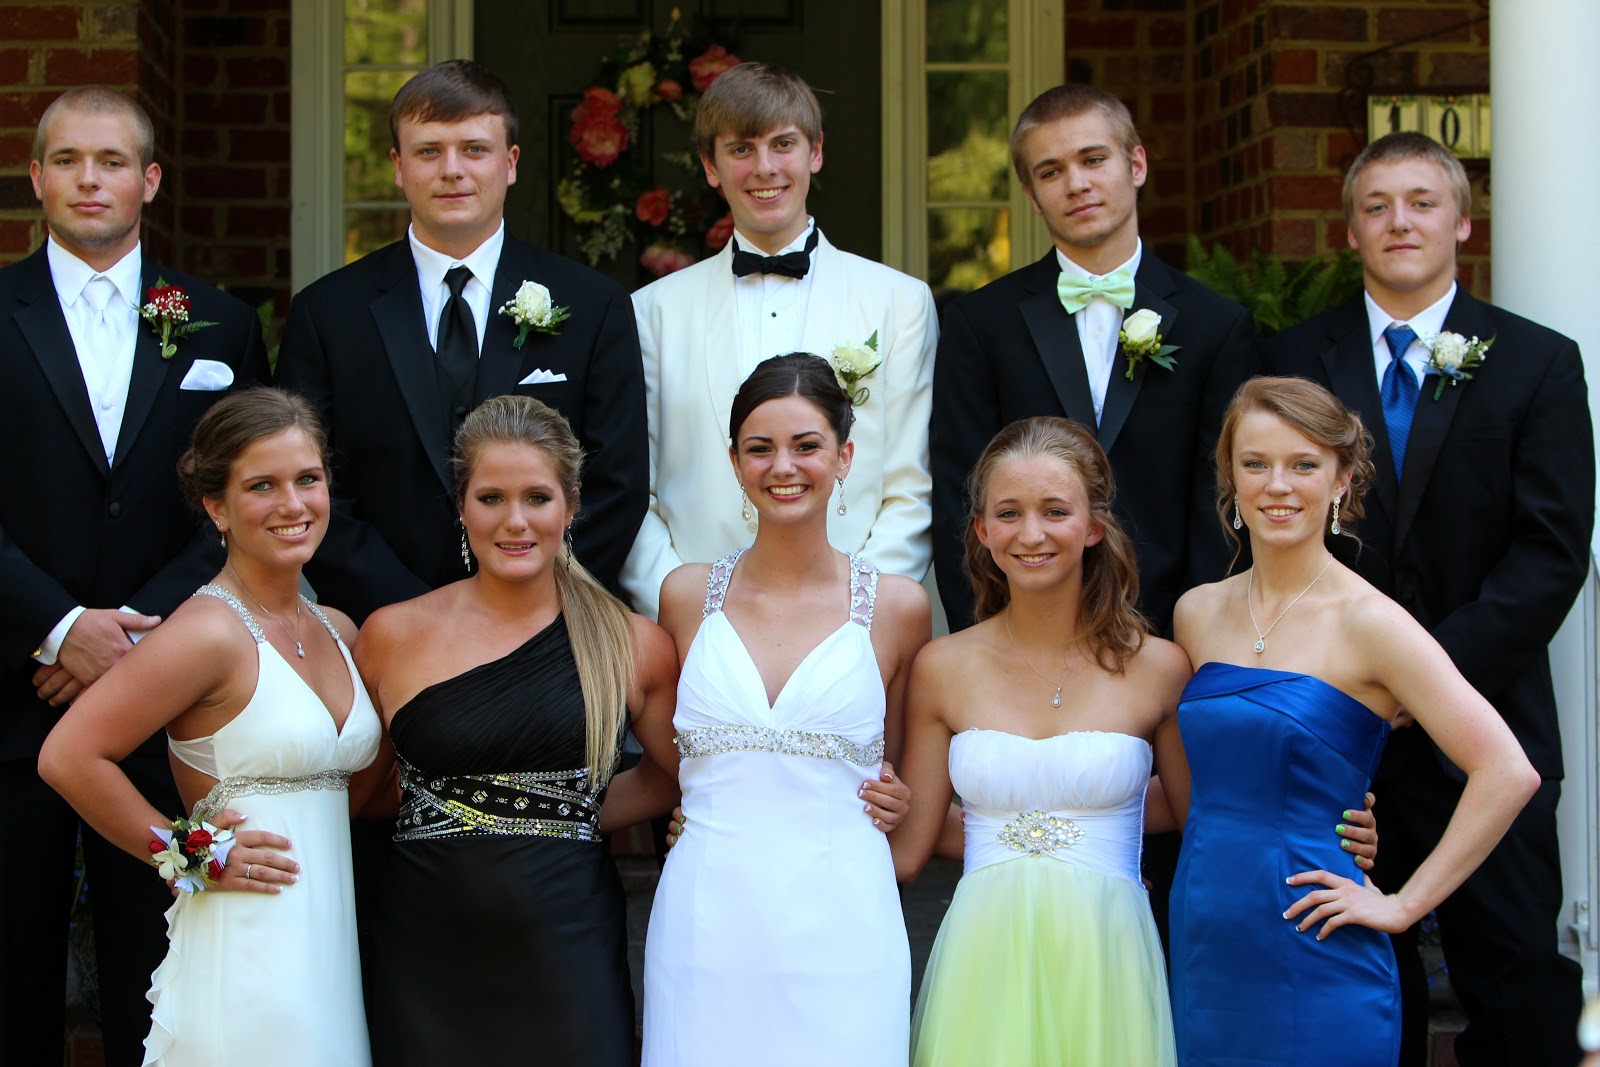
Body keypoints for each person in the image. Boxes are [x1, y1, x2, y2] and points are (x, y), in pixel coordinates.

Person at [1260, 131, 1593, 1067]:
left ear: (1462, 221)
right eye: (1377, 206)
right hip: (1339, 727)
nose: (1399, 220)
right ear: (1351, 231)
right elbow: (1261, 528)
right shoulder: (1289, 360)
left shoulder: (1536, 362)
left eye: (1421, 201)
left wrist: (1424, 682)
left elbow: (1551, 550)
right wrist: (1353, 687)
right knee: (1358, 974)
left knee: (1518, 980)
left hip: (1487, 723)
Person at [1, 87, 270, 1066]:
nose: (88, 179)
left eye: (110, 161)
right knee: (11, 960)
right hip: (14, 686)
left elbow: (241, 503)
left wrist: (132, 639)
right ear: (36, 177)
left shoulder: (220, 324)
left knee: (158, 961)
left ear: (148, 180)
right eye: (67, 160)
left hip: (165, 703)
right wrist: (63, 624)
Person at [1169, 376, 1540, 1066]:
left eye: (1304, 464)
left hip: (1319, 938)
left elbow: (1507, 770)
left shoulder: (1372, 623)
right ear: (1230, 476)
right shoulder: (1196, 612)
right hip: (1207, 935)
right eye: (1256, 463)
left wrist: (1403, 905)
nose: (1278, 485)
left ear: (1341, 479)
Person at [38, 387, 382, 1066]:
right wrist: (191, 855)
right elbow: (68, 755)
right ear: (215, 506)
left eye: (307, 479)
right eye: (262, 485)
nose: (293, 503)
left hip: (330, 943)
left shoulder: (337, 629)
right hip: (246, 940)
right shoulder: (205, 631)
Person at [353, 394, 679, 1065]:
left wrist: (566, 810)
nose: (515, 521)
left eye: (537, 496)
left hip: (568, 942)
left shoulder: (631, 643)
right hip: (425, 942)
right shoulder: (392, 633)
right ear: (461, 505)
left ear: (572, 503)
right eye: (491, 497)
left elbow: (680, 775)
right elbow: (366, 792)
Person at [277, 59, 647, 621]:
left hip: (554, 625)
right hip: (383, 626)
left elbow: (617, 482)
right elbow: (308, 482)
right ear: (398, 167)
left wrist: (532, 599)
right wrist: (410, 615)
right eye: (429, 151)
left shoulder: (595, 305)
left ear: (510, 162)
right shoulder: (327, 313)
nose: (452, 170)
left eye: (474, 149)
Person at [642, 353, 928, 1067]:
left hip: (844, 922)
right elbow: (671, 756)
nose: (783, 467)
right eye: (760, 448)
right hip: (705, 922)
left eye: (806, 445)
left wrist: (896, 797)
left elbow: (897, 767)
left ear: (844, 455)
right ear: (735, 461)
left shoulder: (896, 607)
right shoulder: (684, 596)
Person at [891, 416, 1189, 1066]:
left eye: (1055, 510)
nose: (1031, 533)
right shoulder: (942, 667)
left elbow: (1208, 817)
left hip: (1107, 953)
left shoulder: (1161, 667)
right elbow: (909, 847)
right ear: (982, 531)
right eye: (1009, 512)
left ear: (1093, 525)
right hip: (982, 956)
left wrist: (1336, 817)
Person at [932, 83, 1253, 636]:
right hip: (1018, 630)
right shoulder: (980, 324)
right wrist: (989, 635)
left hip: (1170, 632)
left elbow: (1222, 499)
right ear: (1032, 196)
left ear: (1137, 165)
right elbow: (962, 495)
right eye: (1051, 171)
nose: (1076, 183)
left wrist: (1197, 639)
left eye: (1093, 159)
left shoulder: (1216, 326)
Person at [623, 61, 936, 620]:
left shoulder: (900, 303)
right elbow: (633, 493)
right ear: (710, 166)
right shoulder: (653, 312)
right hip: (696, 632)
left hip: (854, 632)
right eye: (741, 149)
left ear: (816, 152)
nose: (764, 168)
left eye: (783, 144)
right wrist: (687, 610)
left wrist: (855, 618)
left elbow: (910, 491)